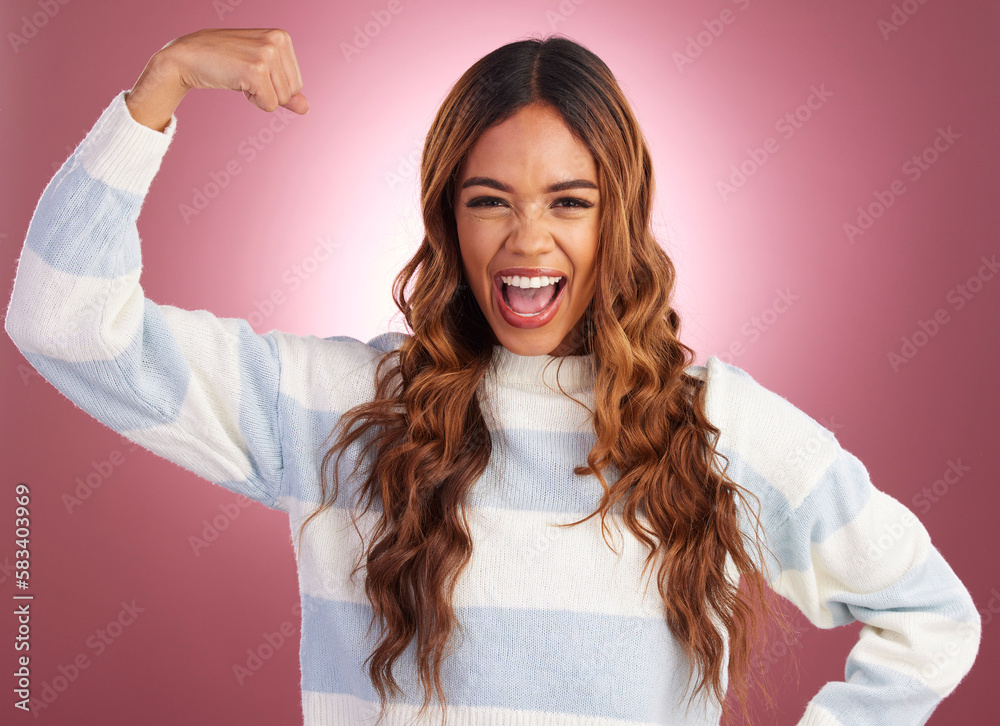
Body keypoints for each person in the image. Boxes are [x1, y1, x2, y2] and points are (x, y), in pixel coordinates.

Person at [4, 27, 981, 726]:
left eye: (568, 201)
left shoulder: (715, 423)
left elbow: (929, 616)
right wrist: (161, 85)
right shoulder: (338, 411)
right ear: (447, 222)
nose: (527, 239)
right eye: (489, 200)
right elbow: (62, 321)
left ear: (618, 219)